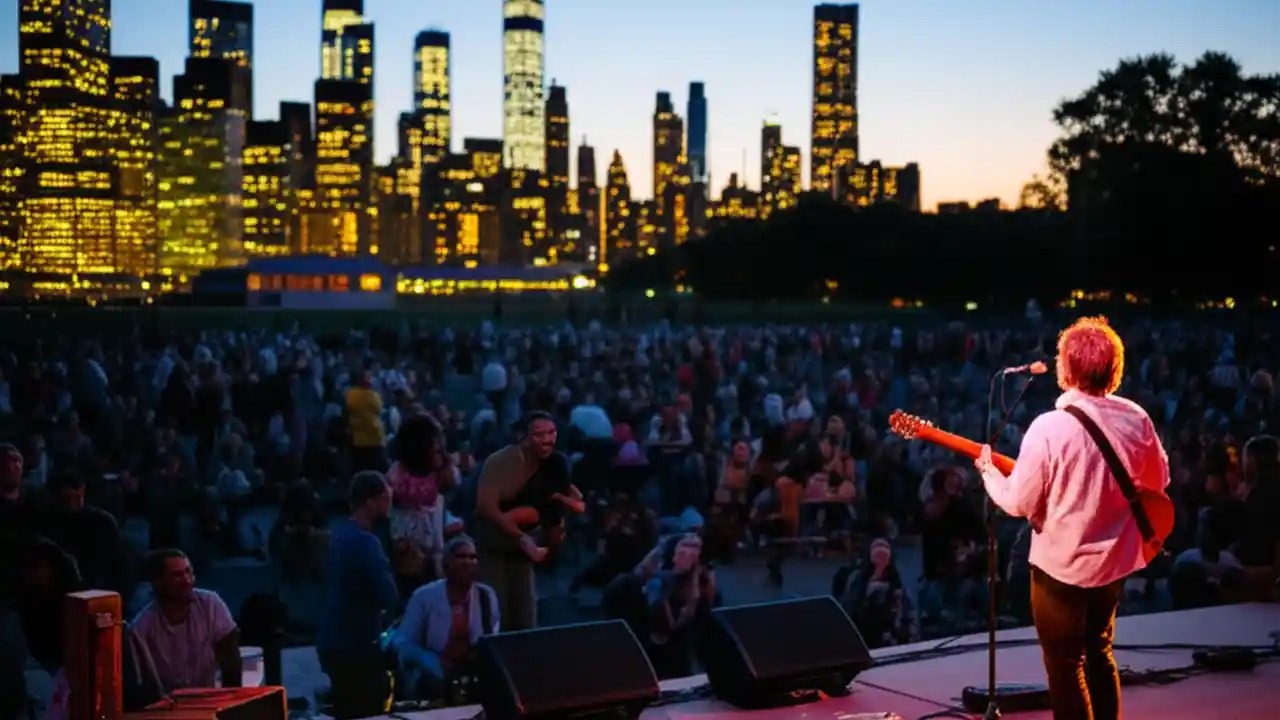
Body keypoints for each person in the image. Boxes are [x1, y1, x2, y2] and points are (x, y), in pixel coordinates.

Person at [975, 317, 1169, 720]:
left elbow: (1018, 504)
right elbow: (1158, 481)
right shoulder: (1136, 417)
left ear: (1066, 369)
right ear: (1114, 368)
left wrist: (989, 474)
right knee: (1100, 651)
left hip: (1060, 568)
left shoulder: (1049, 428)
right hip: (1114, 563)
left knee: (1065, 667)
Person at [474, 411, 583, 630]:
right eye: (539, 434)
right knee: (496, 612)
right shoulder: (500, 462)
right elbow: (486, 507)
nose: (546, 439)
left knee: (525, 616)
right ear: (524, 437)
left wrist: (556, 525)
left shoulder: (555, 464)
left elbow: (574, 497)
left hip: (525, 549)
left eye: (551, 433)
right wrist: (519, 536)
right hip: (493, 543)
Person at [317, 471, 400, 719]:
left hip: (335, 643)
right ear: (369, 500)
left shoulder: (339, 535)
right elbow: (388, 595)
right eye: (385, 497)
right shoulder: (365, 543)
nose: (390, 503)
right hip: (356, 648)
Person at [395, 536, 500, 700]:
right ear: (447, 563)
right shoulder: (424, 597)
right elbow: (403, 643)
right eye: (461, 557)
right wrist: (433, 663)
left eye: (473, 557)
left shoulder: (486, 596)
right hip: (431, 679)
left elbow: (492, 641)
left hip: (472, 676)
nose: (469, 562)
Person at [129, 549, 241, 691]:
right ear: (158, 582)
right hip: (167, 707)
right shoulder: (141, 628)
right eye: (177, 575)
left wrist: (231, 701)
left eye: (188, 572)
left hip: (209, 700)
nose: (187, 580)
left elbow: (231, 658)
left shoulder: (210, 604)